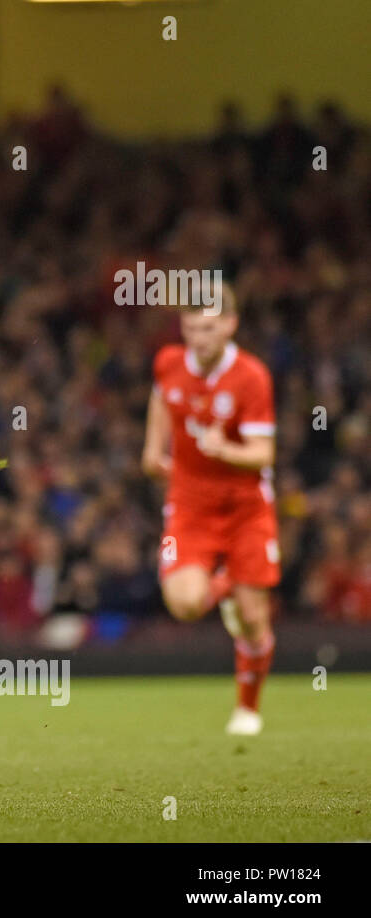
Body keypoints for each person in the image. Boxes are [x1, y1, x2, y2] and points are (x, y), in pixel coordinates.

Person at [142, 287, 279, 735]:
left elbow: (264, 453)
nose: (199, 337)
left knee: (254, 620)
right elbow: (162, 396)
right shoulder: (168, 362)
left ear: (230, 324)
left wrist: (225, 449)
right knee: (182, 603)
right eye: (191, 328)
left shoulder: (251, 377)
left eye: (208, 327)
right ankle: (226, 586)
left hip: (246, 508)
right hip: (189, 504)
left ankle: (247, 709)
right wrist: (152, 448)